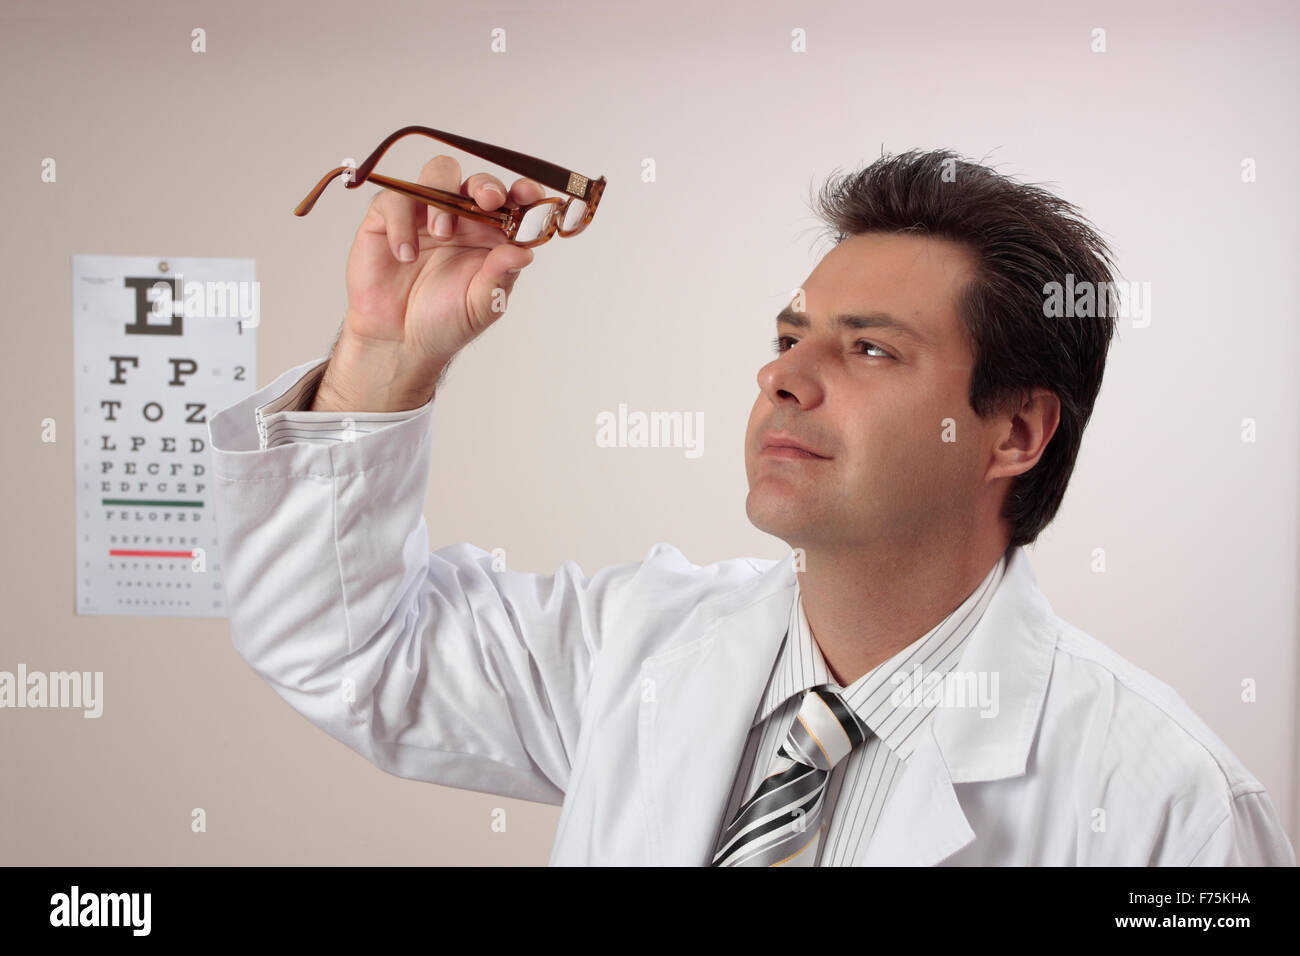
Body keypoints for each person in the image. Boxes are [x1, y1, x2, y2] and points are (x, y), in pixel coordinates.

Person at [208, 147, 1295, 866]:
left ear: (1011, 433)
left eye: (868, 347)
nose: (783, 377)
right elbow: (346, 649)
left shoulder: (1169, 807)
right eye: (788, 338)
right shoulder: (634, 649)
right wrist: (385, 358)